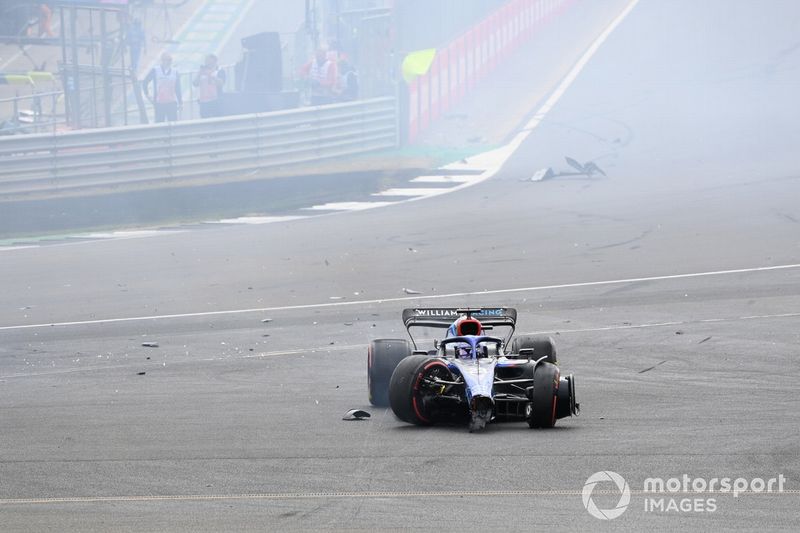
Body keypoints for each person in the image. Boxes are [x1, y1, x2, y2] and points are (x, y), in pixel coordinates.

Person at [143, 52, 182, 123]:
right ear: (163, 60)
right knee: (159, 124)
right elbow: (145, 82)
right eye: (168, 60)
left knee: (173, 124)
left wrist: (180, 102)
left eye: (170, 60)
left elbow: (178, 88)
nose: (169, 62)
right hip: (159, 103)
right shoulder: (155, 70)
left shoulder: (175, 71)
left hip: (172, 103)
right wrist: (148, 95)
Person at [193, 54, 226, 118]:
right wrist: (199, 75)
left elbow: (221, 83)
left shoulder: (220, 70)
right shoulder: (202, 71)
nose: (206, 63)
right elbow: (195, 84)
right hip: (204, 102)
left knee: (217, 119)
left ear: (214, 61)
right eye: (206, 61)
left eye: (208, 61)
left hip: (216, 101)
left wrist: (211, 75)